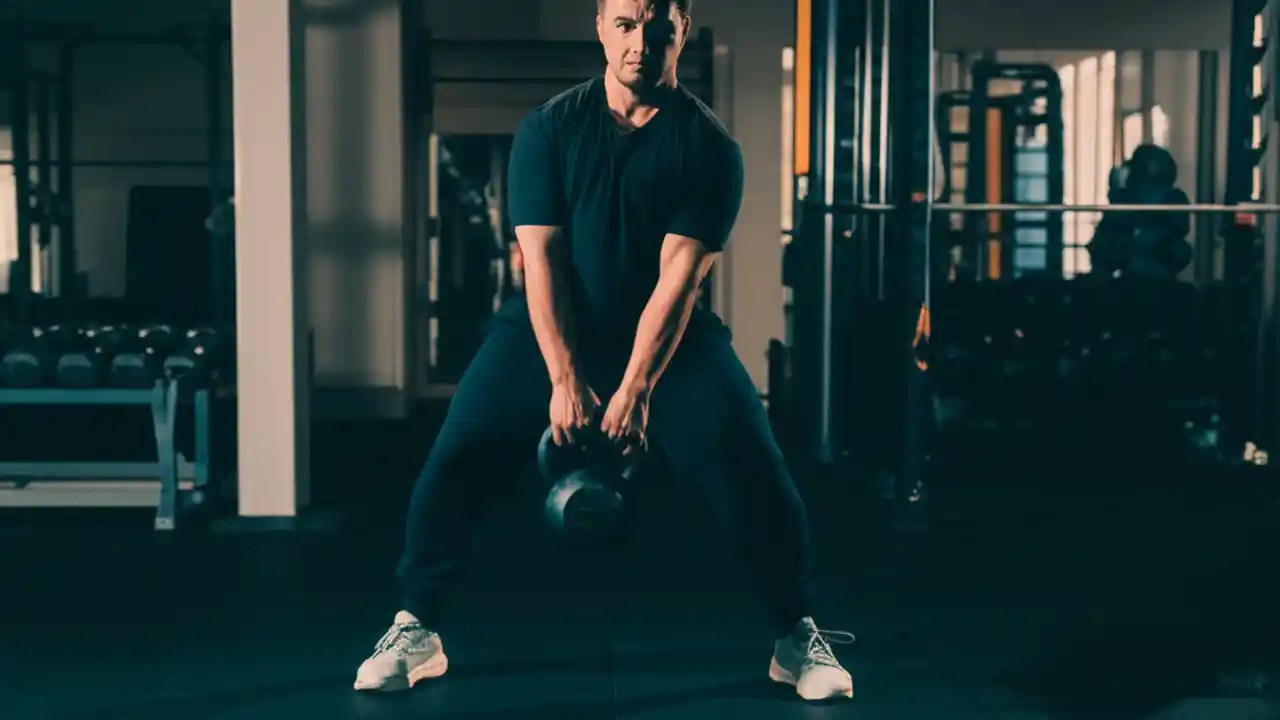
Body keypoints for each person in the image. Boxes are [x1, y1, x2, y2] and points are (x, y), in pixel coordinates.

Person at [353, 0, 855, 702]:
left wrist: (637, 386)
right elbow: (543, 260)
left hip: (667, 337)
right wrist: (565, 376)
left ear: (685, 30)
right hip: (548, 325)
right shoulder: (551, 129)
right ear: (599, 27)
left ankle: (795, 635)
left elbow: (680, 278)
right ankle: (417, 627)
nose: (640, 43)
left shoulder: (709, 148)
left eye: (658, 28)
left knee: (752, 465)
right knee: (459, 454)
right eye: (625, 24)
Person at [1088, 144, 1193, 279]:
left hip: (1156, 267)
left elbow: (1179, 231)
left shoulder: (1174, 198)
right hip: (1129, 267)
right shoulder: (1125, 197)